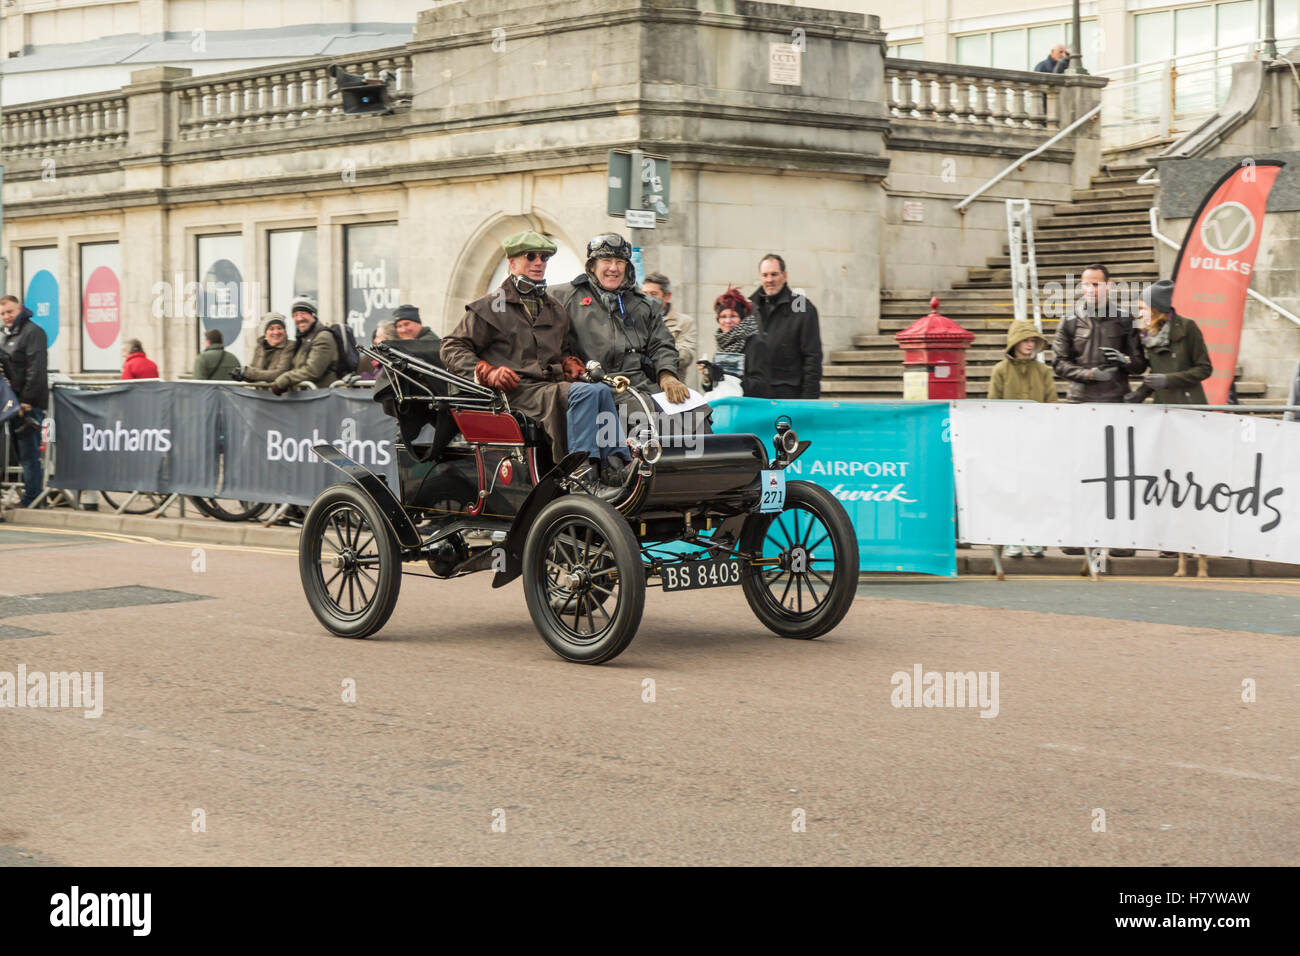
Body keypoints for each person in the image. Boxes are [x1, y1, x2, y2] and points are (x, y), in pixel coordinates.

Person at [441, 230, 628, 489]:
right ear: (513, 263)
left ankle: (614, 466)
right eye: (531, 257)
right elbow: (452, 347)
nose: (539, 262)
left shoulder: (554, 308)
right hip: (515, 392)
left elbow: (561, 349)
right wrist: (486, 372)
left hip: (548, 387)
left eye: (544, 257)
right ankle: (580, 475)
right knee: (585, 393)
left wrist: (569, 362)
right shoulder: (489, 307)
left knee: (600, 391)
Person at [1124, 278, 1214, 578]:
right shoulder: (1147, 335)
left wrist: (1169, 380)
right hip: (1163, 413)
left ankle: (1201, 547)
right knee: (1167, 482)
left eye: (1142, 307)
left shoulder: (1187, 328)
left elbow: (1204, 368)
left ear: (1158, 309)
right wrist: (1141, 393)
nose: (1139, 312)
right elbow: (1154, 374)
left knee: (1193, 483)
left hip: (1190, 412)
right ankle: (1173, 543)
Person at [552, 235, 691, 414]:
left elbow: (662, 345)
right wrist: (566, 362)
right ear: (592, 266)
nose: (613, 268)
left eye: (620, 262)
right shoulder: (565, 297)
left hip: (639, 384)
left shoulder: (643, 305)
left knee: (693, 416)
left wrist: (667, 374)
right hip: (592, 385)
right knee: (642, 420)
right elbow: (546, 339)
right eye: (606, 260)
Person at [988, 319, 1057, 558]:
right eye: (1025, 340)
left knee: (1036, 491)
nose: (1029, 345)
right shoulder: (1000, 371)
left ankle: (1034, 538)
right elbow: (992, 406)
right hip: (1009, 441)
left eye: (1033, 341)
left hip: (1037, 440)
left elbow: (1052, 403)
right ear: (1014, 342)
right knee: (1011, 490)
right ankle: (1011, 539)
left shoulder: (1043, 372)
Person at [750, 253, 823, 399]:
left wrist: (808, 401)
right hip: (755, 397)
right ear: (760, 277)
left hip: (789, 396)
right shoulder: (749, 307)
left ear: (785, 276)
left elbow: (812, 358)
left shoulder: (803, 308)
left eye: (774, 274)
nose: (769, 280)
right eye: (765, 275)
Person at [0, 295, 49, 508]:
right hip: (13, 403)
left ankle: (34, 499)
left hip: (28, 403)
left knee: (29, 453)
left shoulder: (32, 332)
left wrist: (27, 400)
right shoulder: (8, 336)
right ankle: (31, 496)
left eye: (9, 311)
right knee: (21, 454)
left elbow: (35, 369)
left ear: (20, 309)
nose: (6, 317)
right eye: (2, 314)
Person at [697, 288, 766, 397]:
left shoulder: (755, 343)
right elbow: (712, 388)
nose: (728, 321)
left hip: (747, 407)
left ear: (741, 318)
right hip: (725, 406)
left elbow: (761, 386)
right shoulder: (722, 342)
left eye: (733, 316)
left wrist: (728, 377)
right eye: (723, 316)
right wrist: (708, 375)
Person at [270, 296, 338, 395]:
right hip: (308, 398)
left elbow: (313, 370)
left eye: (303, 313)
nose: (299, 318)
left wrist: (284, 380)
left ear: (313, 315)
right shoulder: (303, 339)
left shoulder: (323, 337)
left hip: (323, 399)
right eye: (295, 315)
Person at [641, 272, 696, 383]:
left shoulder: (684, 322)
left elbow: (685, 356)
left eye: (653, 294)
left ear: (667, 296)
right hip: (639, 385)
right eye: (644, 293)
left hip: (671, 386)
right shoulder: (634, 320)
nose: (647, 298)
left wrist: (655, 353)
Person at [233, 313, 294, 384]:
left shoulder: (290, 346)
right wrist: (242, 375)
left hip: (282, 393)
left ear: (285, 331)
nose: (276, 332)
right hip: (261, 393)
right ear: (265, 333)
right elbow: (254, 374)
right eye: (271, 329)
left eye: (279, 328)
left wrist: (248, 372)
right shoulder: (260, 347)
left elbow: (279, 374)